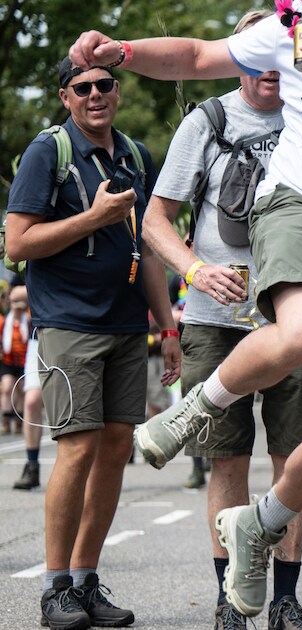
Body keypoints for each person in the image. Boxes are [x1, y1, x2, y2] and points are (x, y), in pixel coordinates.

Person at [70, 0, 302, 619]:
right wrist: (124, 52)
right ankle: (198, 407)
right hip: (296, 208)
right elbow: (197, 56)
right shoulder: (287, 31)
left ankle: (260, 524)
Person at [139, 9, 302, 629]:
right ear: (237, 59)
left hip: (293, 316)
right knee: (227, 459)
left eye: (280, 54)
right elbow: (156, 220)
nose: (271, 67)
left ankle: (286, 599)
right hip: (215, 319)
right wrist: (195, 271)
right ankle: (229, 599)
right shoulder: (208, 121)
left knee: (295, 460)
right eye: (256, 55)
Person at [6, 56, 180, 630]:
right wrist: (92, 217)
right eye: (82, 88)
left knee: (114, 449)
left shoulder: (135, 155)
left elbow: (147, 247)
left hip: (128, 326)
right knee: (77, 447)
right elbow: (18, 245)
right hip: (69, 324)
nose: (95, 94)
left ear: (117, 90)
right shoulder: (47, 152)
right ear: (66, 97)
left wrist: (167, 327)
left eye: (104, 84)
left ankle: (85, 580)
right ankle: (54, 589)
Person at [11, 285, 44, 491]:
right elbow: (15, 293)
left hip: (75, 333)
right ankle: (32, 466)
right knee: (31, 401)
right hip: (38, 337)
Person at [1, 284, 29, 436]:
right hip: (8, 361)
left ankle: (19, 421)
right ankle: (6, 421)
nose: (17, 310)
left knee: (21, 391)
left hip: (24, 362)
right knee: (7, 388)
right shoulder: (5, 322)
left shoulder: (28, 322)